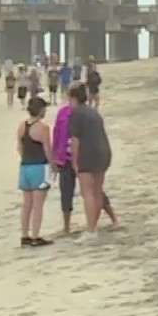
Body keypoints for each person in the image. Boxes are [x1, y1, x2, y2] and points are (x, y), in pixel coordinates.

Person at [54, 83, 120, 235]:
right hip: (103, 152)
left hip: (88, 155)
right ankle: (94, 226)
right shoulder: (93, 112)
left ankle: (91, 229)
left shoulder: (76, 113)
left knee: (87, 193)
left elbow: (75, 140)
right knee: (97, 191)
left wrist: (75, 162)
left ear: (74, 98)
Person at [16, 95, 54, 247]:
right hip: (39, 167)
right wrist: (53, 166)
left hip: (25, 167)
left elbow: (20, 148)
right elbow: (48, 150)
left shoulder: (22, 126)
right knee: (38, 205)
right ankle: (36, 236)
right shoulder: (43, 128)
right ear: (41, 110)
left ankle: (24, 235)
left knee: (27, 205)